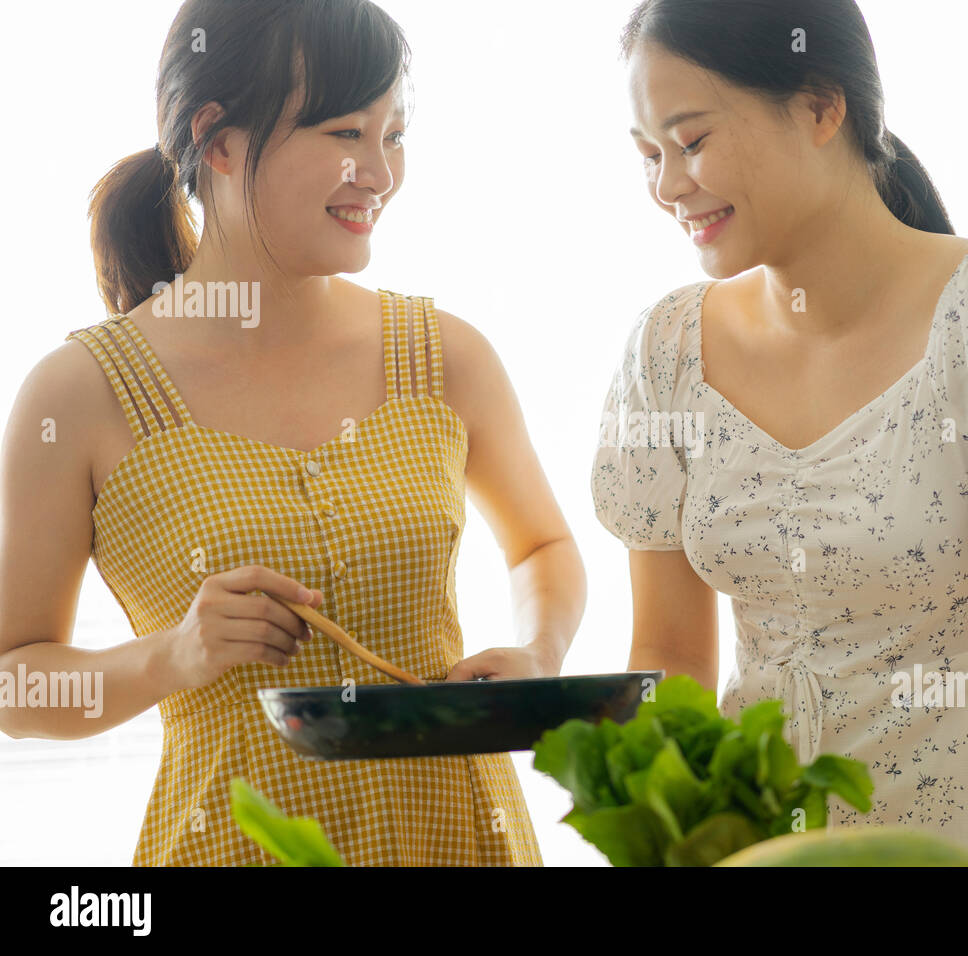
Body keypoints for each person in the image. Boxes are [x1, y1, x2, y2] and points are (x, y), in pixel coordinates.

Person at [0, 0, 585, 866]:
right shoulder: (82, 391)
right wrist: (174, 655)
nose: (380, 173)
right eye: (348, 131)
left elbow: (542, 544)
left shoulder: (445, 354)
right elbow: (14, 681)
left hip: (464, 840)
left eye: (395, 134)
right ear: (221, 140)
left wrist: (538, 650)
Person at [592, 0, 968, 866]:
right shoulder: (666, 351)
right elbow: (668, 650)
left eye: (690, 142)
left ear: (819, 106)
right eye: (648, 156)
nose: (667, 185)